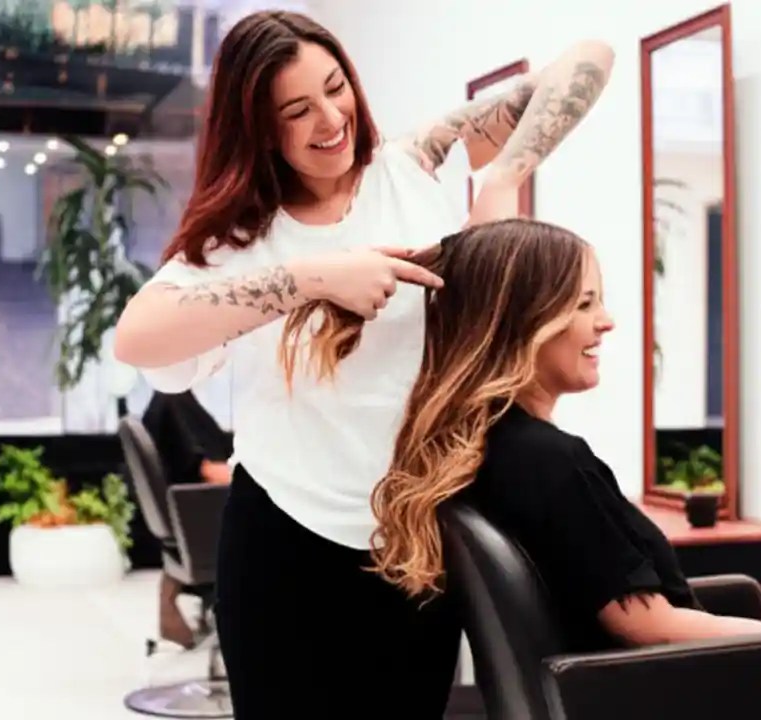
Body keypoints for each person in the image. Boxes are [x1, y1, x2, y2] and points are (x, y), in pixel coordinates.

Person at [112, 9, 615, 717]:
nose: (330, 119)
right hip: (284, 546)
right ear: (259, 128)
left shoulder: (412, 165)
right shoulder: (238, 242)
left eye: (335, 86)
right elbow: (135, 337)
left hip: (415, 544)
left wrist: (504, 177)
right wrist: (314, 278)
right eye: (297, 110)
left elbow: (589, 56)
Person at [283, 218, 761, 653]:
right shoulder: (550, 461)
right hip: (656, 691)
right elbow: (650, 628)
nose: (606, 322)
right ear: (524, 323)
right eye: (584, 304)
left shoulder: (487, 447)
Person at [139, 390, 231, 649]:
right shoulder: (173, 405)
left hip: (191, 527)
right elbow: (211, 471)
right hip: (205, 525)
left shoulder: (173, 401)